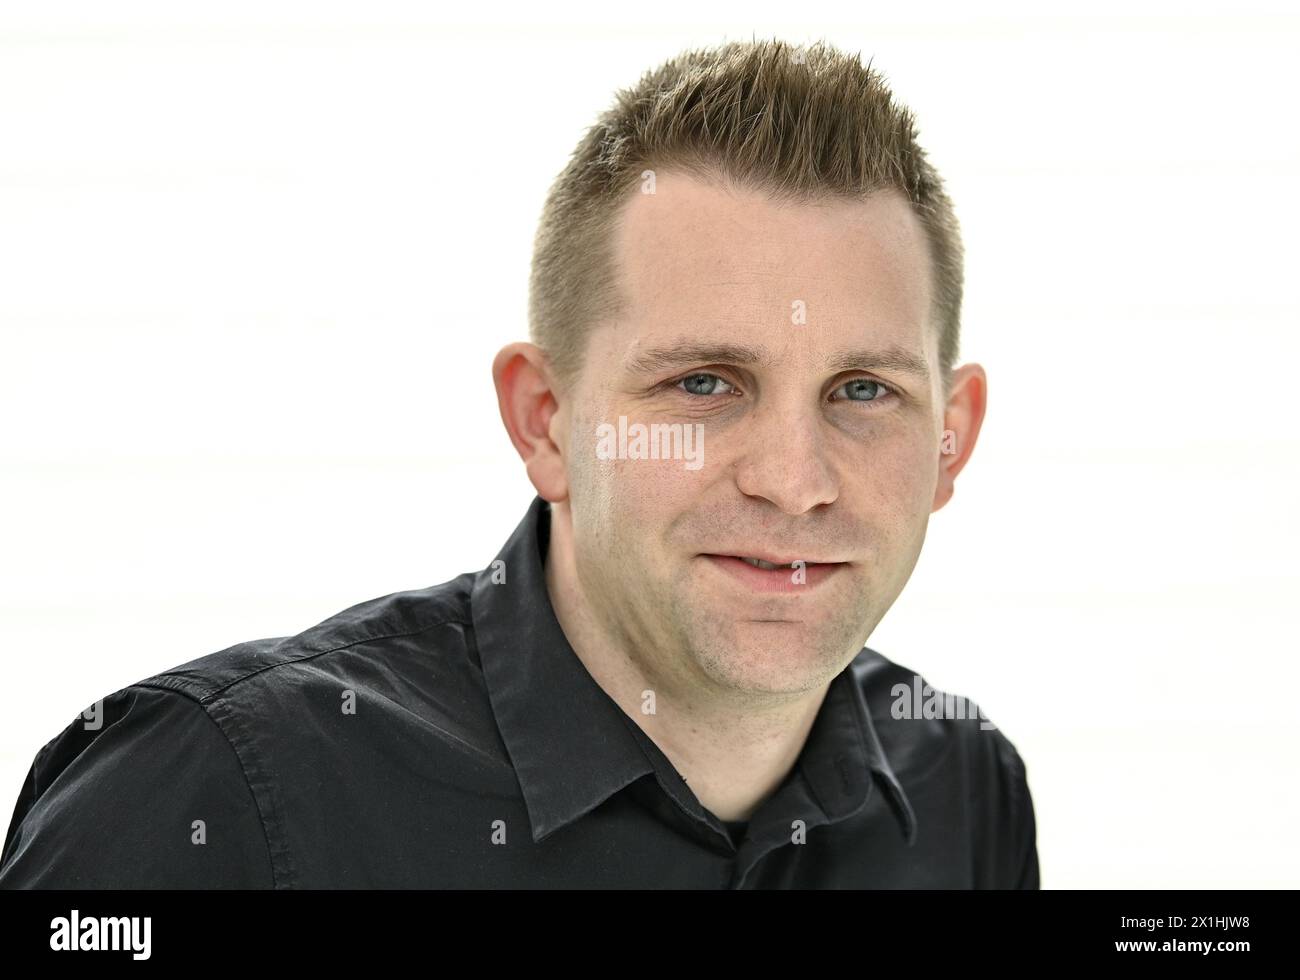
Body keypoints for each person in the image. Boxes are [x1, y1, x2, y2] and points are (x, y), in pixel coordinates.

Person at [0, 37, 1038, 889]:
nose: (793, 477)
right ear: (545, 422)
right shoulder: (211, 793)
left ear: (952, 436)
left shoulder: (962, 786)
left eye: (863, 390)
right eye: (704, 384)